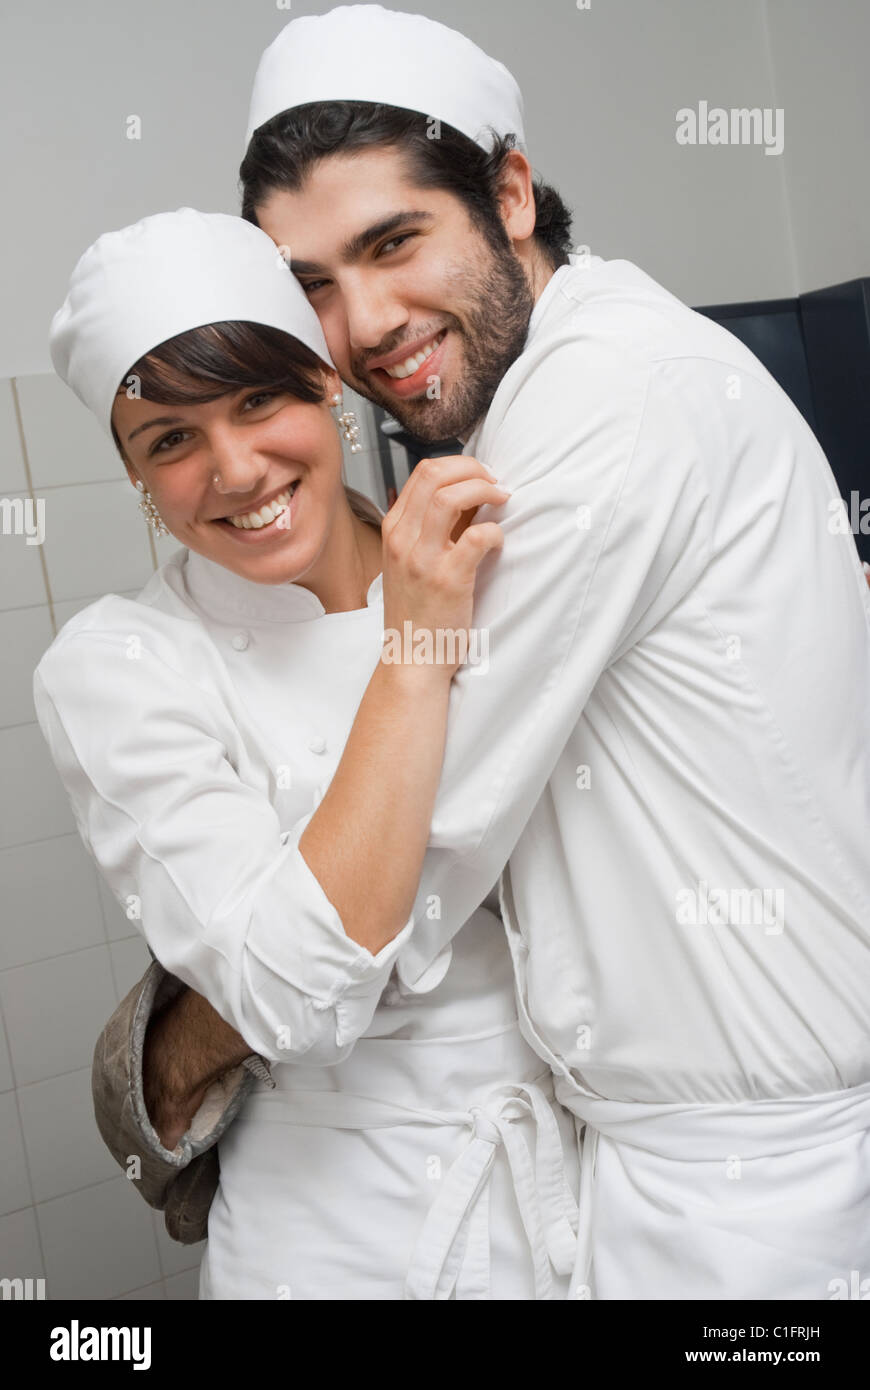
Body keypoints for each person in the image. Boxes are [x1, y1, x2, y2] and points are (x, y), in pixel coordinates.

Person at [118, 5, 870, 1301]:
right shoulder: (572, 394)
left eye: (393, 241)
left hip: (744, 1192)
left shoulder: (602, 405)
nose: (361, 326)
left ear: (509, 193)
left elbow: (395, 880)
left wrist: (163, 1048)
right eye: (311, 284)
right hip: (648, 1161)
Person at [34, 208, 582, 1300]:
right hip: (333, 1232)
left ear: (325, 385)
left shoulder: (501, 549)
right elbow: (293, 998)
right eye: (171, 441)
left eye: (257, 400)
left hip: (579, 1185)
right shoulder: (122, 667)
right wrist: (417, 649)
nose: (236, 469)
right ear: (135, 475)